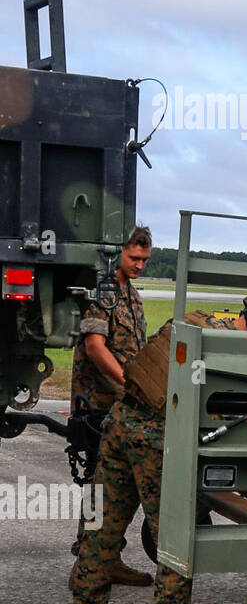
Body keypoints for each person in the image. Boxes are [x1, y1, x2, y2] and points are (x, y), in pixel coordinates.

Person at [67, 290, 247, 604]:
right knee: (175, 533)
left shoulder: (198, 319)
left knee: (101, 524)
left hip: (121, 423)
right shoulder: (229, 351)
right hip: (158, 440)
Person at [68, 224, 153, 585]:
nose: (139, 265)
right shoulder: (103, 292)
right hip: (98, 403)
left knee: (115, 485)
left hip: (122, 403)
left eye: (145, 260)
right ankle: (86, 565)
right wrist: (128, 384)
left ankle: (106, 558)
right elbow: (94, 347)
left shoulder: (132, 295)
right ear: (118, 251)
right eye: (134, 257)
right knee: (98, 485)